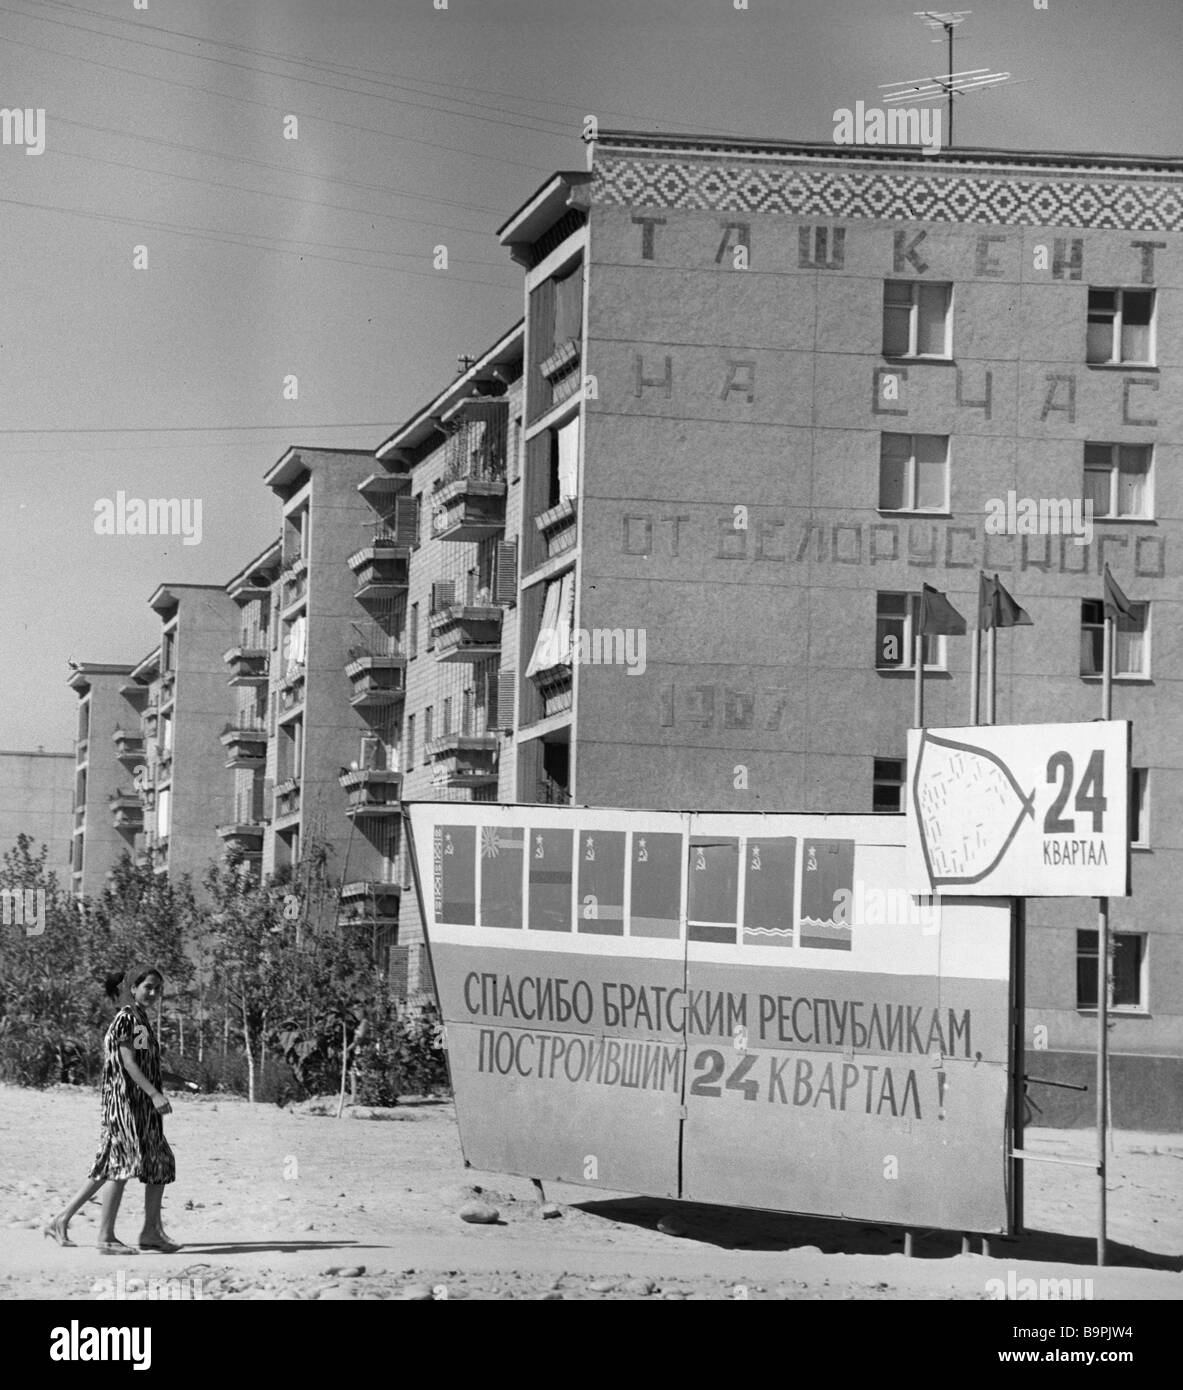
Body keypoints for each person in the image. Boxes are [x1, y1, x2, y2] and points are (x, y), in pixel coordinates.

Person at [45, 968, 180, 1253]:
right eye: (148, 987)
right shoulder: (126, 1019)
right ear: (133, 988)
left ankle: (148, 1232)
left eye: (158, 989)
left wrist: (179, 1082)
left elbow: (145, 1064)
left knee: (157, 1163)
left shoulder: (140, 1021)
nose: (153, 994)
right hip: (125, 1105)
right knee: (120, 1165)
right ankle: (106, 1238)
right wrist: (155, 1093)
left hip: (142, 1107)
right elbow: (128, 1062)